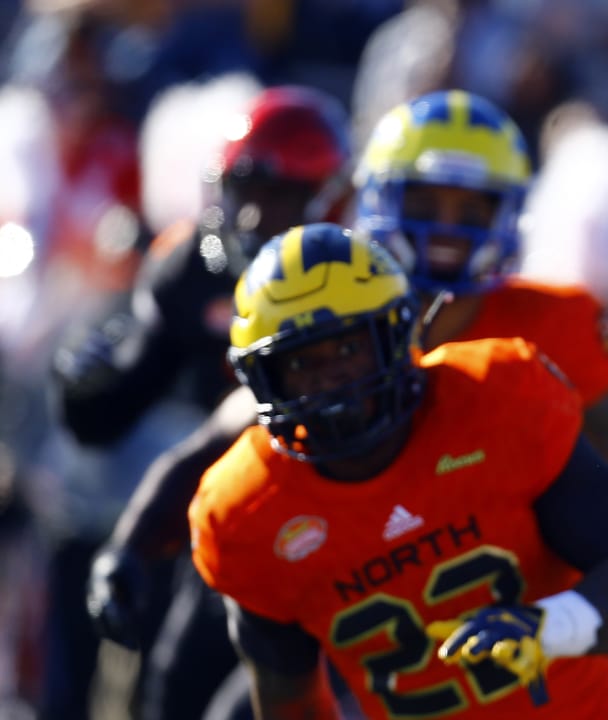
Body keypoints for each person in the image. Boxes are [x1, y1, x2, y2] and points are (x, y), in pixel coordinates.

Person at [188, 221, 608, 718]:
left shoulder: (491, 402)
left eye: (350, 348)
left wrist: (550, 626)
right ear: (264, 379)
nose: (331, 378)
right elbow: (289, 702)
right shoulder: (248, 510)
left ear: (396, 335)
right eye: (301, 362)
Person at [76, 84, 352, 720]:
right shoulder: (194, 265)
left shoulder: (371, 275)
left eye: (279, 193)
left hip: (371, 531)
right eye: (246, 191)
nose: (255, 216)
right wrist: (134, 543)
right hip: (249, 519)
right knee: (175, 693)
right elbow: (232, 428)